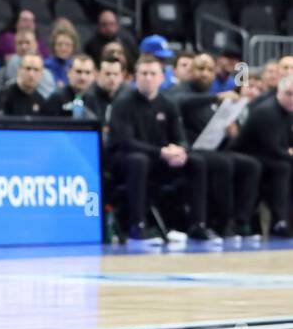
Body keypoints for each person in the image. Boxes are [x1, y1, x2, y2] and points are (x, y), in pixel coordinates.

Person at [108, 54, 218, 245]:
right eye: (144, 73)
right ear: (135, 76)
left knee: (197, 161)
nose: (148, 77)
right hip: (126, 160)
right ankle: (138, 225)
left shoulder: (168, 104)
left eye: (153, 73)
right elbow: (125, 141)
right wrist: (161, 152)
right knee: (138, 160)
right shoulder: (123, 103)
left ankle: (197, 224)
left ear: (161, 77)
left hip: (159, 159)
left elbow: (181, 137)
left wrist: (181, 150)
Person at [166, 52, 261, 241]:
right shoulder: (179, 91)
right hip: (189, 152)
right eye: (200, 68)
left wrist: (231, 133)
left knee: (251, 165)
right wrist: (215, 98)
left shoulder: (210, 99)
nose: (205, 73)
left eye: (210, 69)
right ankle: (221, 223)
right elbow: (178, 102)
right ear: (191, 71)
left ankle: (241, 221)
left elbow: (219, 136)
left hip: (211, 150)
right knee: (223, 163)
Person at [231, 76, 293, 237]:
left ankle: (282, 219)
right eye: (289, 93)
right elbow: (271, 148)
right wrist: (288, 153)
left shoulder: (287, 112)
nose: (292, 98)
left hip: (266, 157)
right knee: (283, 167)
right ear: (279, 91)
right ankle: (279, 219)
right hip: (247, 155)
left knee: (284, 166)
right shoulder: (267, 111)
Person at [0, 30, 56, 96]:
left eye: (27, 42)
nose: (23, 47)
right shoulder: (12, 62)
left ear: (36, 45)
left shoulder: (46, 74)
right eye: (20, 43)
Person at [43, 53, 97, 117]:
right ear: (68, 73)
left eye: (87, 72)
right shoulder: (56, 98)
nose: (83, 77)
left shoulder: (94, 100)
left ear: (93, 75)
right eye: (78, 72)